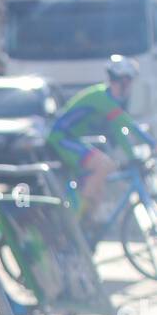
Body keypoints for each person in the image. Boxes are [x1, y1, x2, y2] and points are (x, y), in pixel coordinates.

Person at [47, 55, 156, 225]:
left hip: (71, 139)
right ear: (122, 81)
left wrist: (132, 156)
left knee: (101, 181)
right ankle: (74, 220)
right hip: (61, 139)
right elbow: (129, 125)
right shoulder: (101, 97)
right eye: (129, 81)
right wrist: (152, 143)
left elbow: (120, 132)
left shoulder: (109, 99)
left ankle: (87, 224)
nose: (130, 86)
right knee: (105, 165)